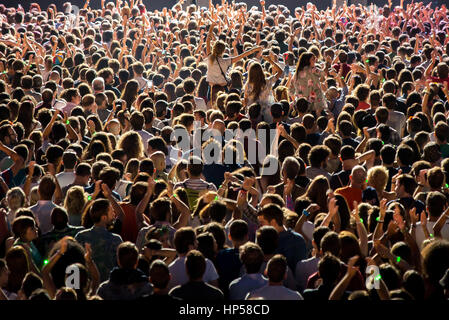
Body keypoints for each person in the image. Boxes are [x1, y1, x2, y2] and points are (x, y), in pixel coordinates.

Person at [75, 199, 123, 282]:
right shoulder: (115, 240)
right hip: (109, 288)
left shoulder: (80, 236)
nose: (114, 215)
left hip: (86, 287)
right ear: (104, 217)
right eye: (112, 212)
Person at [257, 204, 306, 273]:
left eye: (262, 223)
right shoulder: (299, 239)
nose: (259, 226)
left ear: (273, 222)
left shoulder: (297, 240)